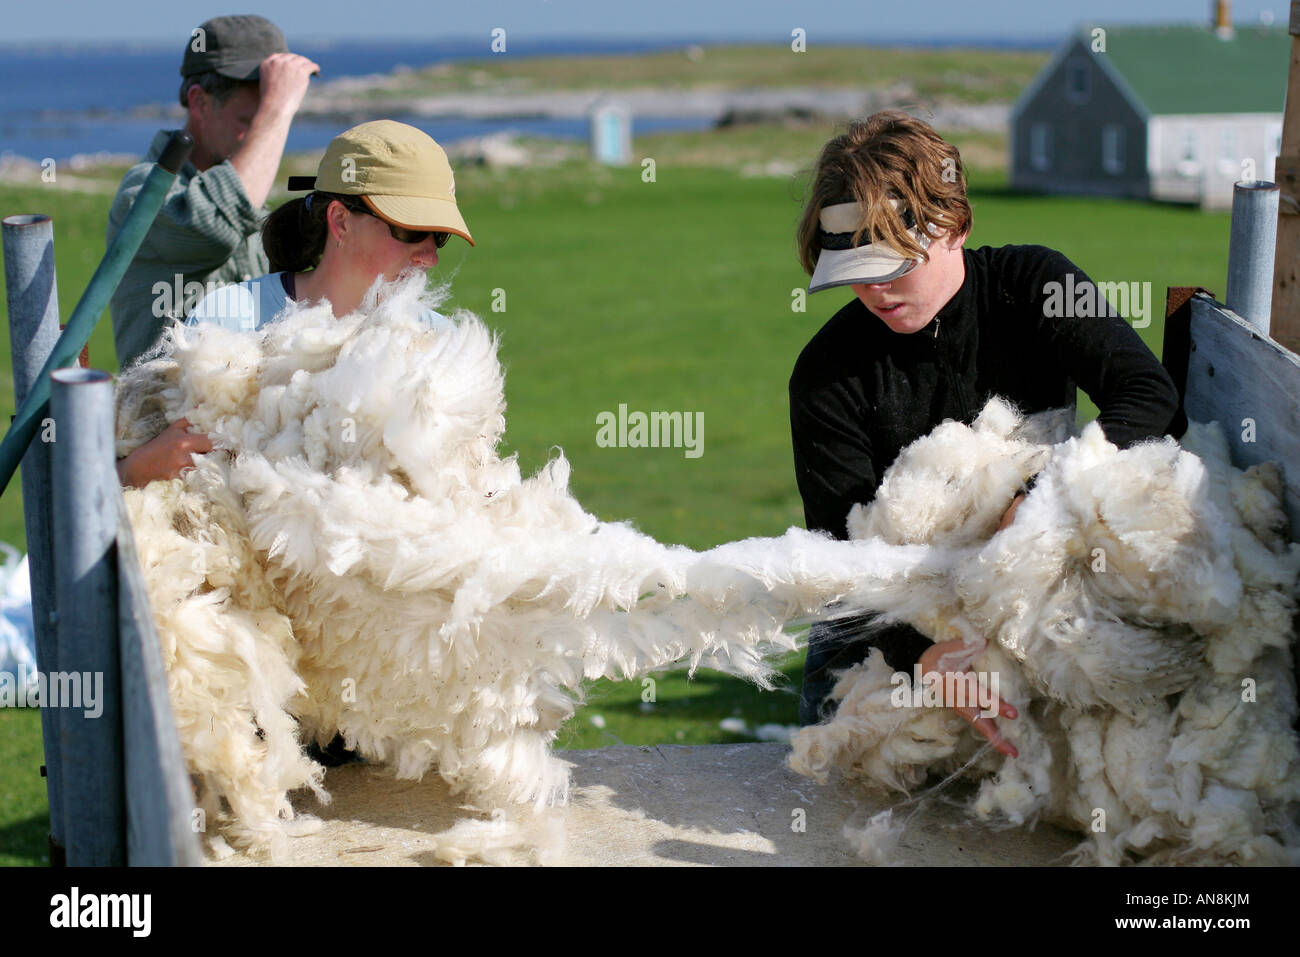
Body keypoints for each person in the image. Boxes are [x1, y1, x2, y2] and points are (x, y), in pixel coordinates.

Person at [789, 111, 1180, 753]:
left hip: (1023, 597)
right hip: (877, 628)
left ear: (955, 225)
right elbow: (842, 558)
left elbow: (1146, 394)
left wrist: (1043, 491)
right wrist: (921, 656)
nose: (875, 291)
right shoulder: (826, 377)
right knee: (835, 792)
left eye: (893, 266)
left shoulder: (1035, 288)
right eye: (856, 272)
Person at [116, 119, 473, 489]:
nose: (429, 256)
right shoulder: (225, 322)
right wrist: (132, 472)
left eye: (440, 236)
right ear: (340, 220)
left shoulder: (441, 343)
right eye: (411, 231)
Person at [106, 14, 320, 368]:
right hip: (168, 417)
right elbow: (214, 226)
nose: (265, 138)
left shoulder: (247, 197)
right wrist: (278, 108)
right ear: (200, 102)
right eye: (250, 121)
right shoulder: (140, 194)